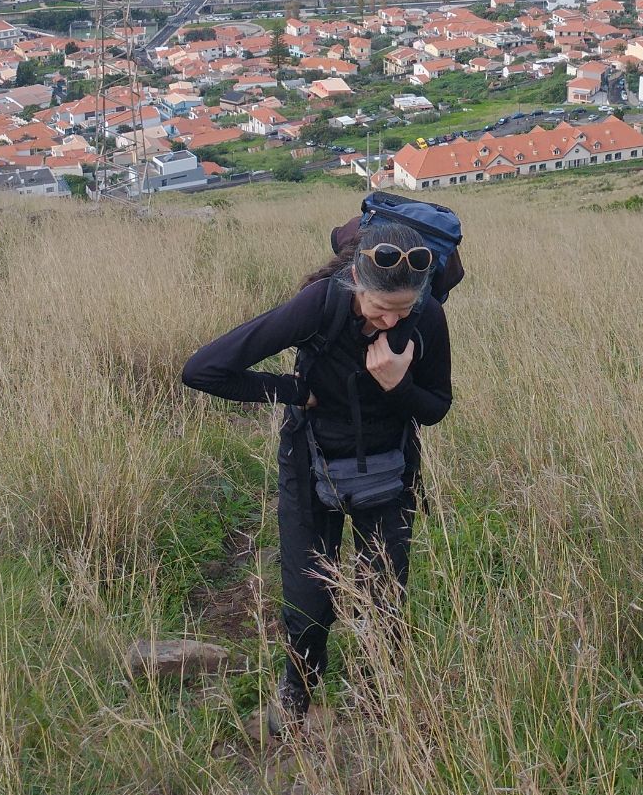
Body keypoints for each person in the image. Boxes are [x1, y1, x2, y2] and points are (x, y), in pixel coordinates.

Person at [180, 219, 453, 734]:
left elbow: (437, 405)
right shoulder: (319, 305)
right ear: (354, 278)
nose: (391, 323)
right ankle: (297, 694)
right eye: (379, 309)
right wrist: (292, 390)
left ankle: (380, 700)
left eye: (402, 311)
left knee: (385, 591)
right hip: (311, 463)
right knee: (307, 593)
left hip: (389, 467)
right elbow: (203, 369)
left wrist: (397, 386)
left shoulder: (428, 316)